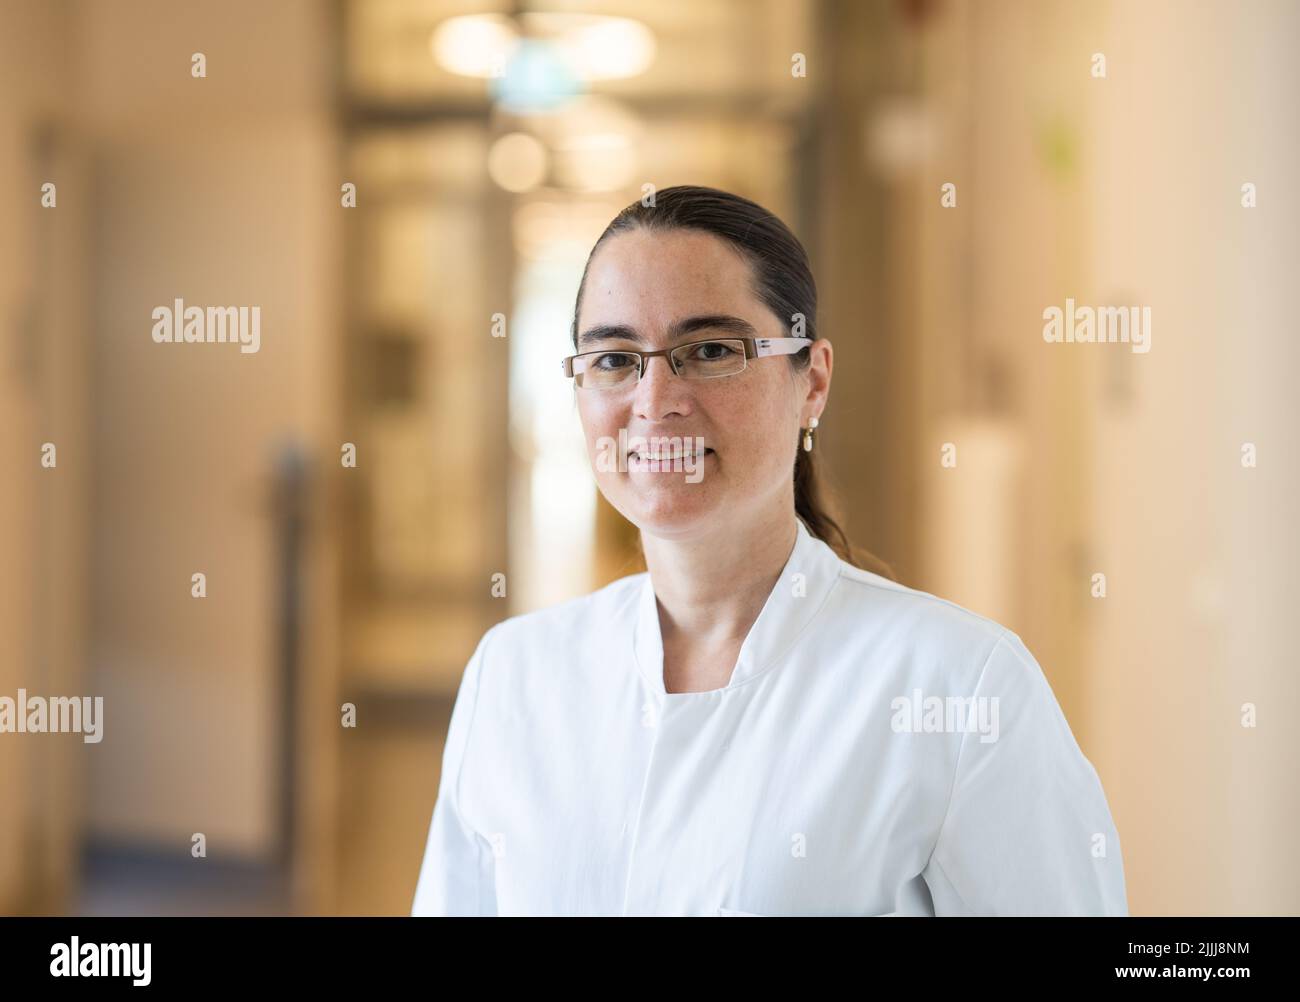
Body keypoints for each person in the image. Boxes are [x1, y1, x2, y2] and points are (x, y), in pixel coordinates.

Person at [411, 185, 1127, 916]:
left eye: (713, 350)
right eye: (615, 359)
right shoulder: (514, 677)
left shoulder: (959, 686)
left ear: (811, 381)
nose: (655, 399)